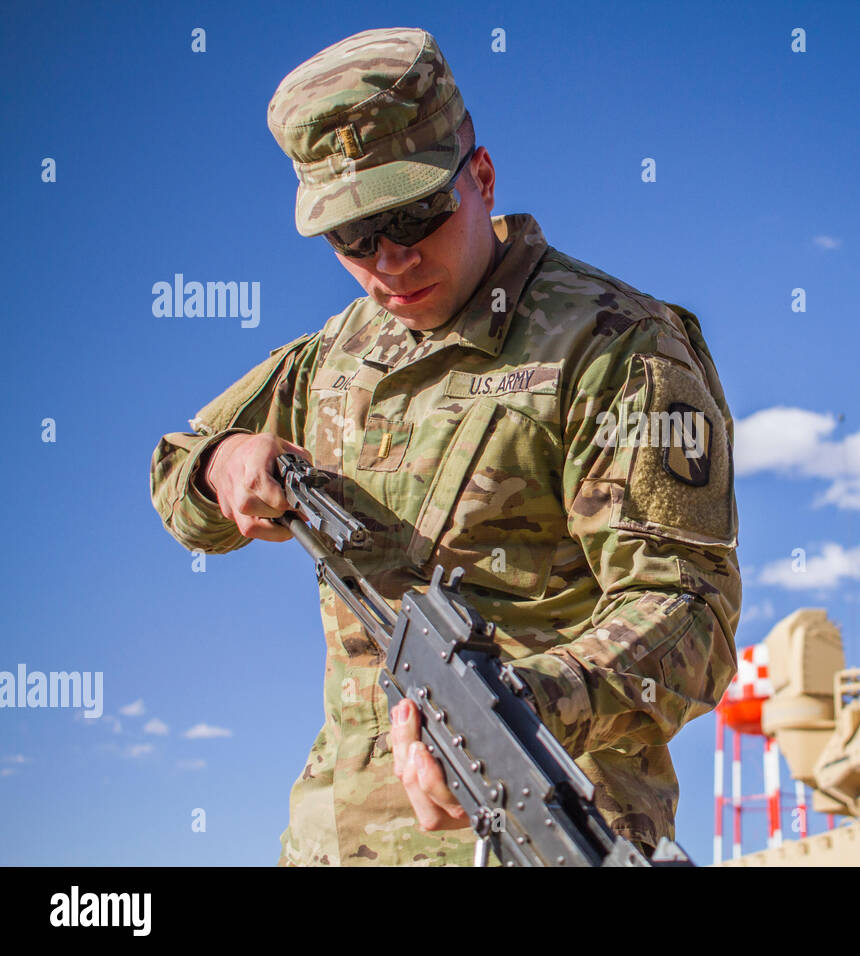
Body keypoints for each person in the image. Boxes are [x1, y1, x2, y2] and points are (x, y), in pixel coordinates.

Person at [148, 26, 740, 866]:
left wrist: (523, 704)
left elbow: (690, 609)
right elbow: (177, 468)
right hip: (337, 844)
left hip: (546, 829)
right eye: (353, 238)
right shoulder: (332, 357)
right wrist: (221, 466)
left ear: (482, 178)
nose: (389, 261)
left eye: (413, 214)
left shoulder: (617, 346)